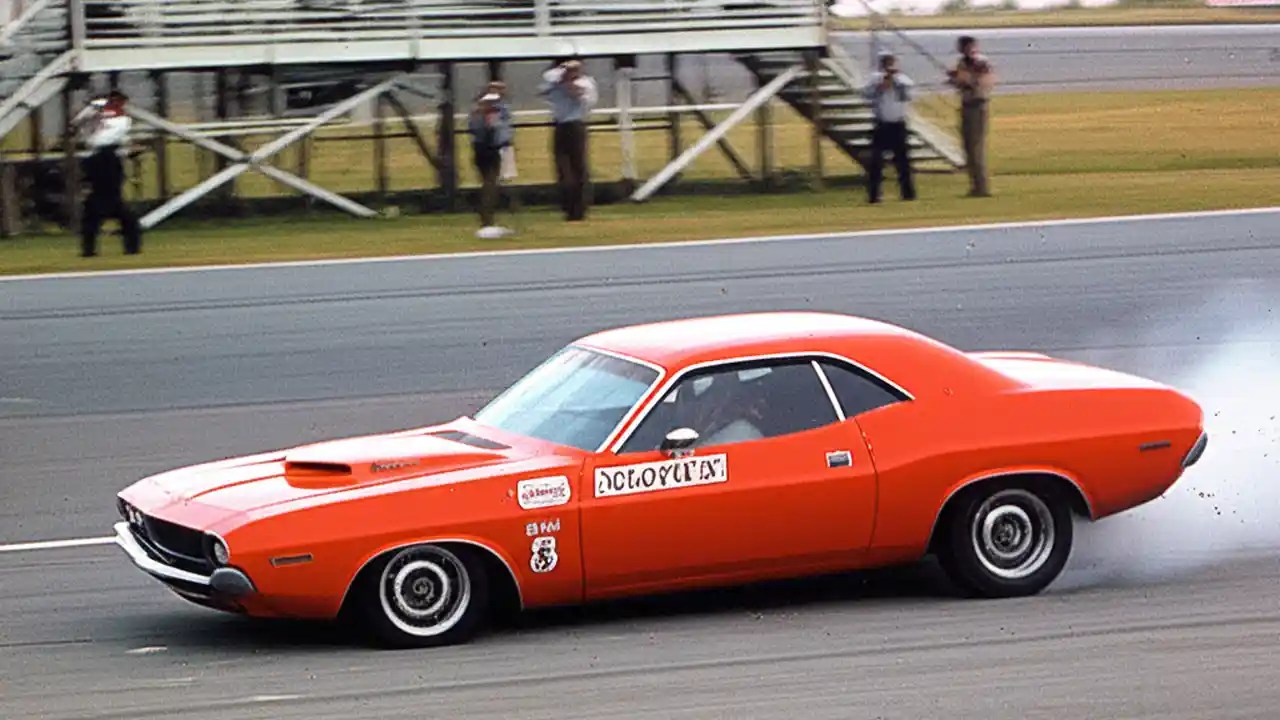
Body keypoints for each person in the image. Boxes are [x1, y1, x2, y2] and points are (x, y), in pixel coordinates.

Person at [74, 90, 141, 256]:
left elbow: (81, 125)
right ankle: (130, 249)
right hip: (104, 162)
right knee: (123, 218)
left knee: (94, 219)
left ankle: (89, 251)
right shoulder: (118, 118)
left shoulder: (104, 116)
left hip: (100, 161)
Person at [538, 59, 597, 221]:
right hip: (560, 125)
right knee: (563, 169)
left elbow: (581, 97)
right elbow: (543, 91)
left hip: (576, 124)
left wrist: (569, 82)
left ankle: (580, 208)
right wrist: (560, 79)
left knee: (579, 167)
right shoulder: (554, 80)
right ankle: (567, 206)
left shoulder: (586, 83)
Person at [862, 52, 916, 204]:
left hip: (898, 124)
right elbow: (865, 94)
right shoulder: (875, 79)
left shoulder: (903, 80)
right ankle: (874, 195)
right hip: (881, 124)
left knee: (902, 161)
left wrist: (896, 81)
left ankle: (908, 194)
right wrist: (881, 86)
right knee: (876, 161)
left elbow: (908, 95)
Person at [947, 35, 995, 197]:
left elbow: (983, 83)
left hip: (977, 107)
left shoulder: (981, 62)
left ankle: (982, 187)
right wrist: (954, 80)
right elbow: (961, 84)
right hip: (966, 106)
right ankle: (974, 185)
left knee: (976, 149)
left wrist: (963, 78)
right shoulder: (962, 63)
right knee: (967, 148)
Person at [468, 92, 514, 238]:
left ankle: (489, 216)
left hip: (494, 149)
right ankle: (486, 219)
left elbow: (504, 131)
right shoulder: (478, 116)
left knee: (492, 183)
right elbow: (481, 131)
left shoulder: (498, 113)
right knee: (490, 183)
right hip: (485, 150)